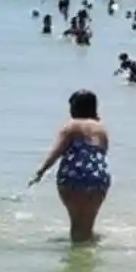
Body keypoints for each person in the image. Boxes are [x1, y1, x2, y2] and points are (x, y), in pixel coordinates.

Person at [29, 90, 111, 243]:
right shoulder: (101, 129)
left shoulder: (71, 126)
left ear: (75, 107)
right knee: (88, 223)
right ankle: (88, 253)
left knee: (76, 222)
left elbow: (57, 151)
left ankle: (78, 260)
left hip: (74, 176)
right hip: (99, 177)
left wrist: (40, 171)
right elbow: (102, 153)